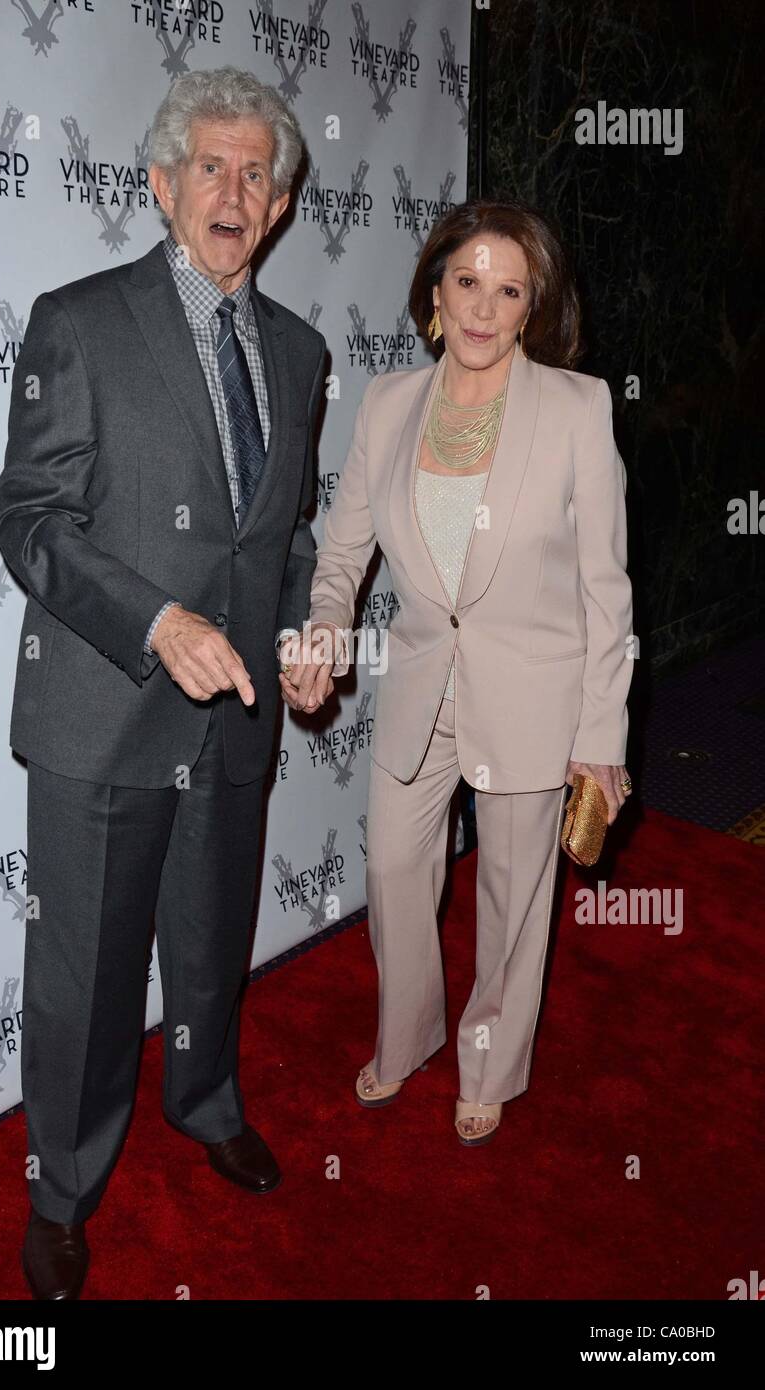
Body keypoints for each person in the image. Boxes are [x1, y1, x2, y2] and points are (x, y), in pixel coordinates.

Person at [0, 66, 326, 1299]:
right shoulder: (77, 322)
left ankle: (205, 1099)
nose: (234, 192)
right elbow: (29, 520)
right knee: (81, 974)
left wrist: (301, 630)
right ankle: (63, 1189)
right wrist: (157, 619)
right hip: (101, 711)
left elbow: (280, 537)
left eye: (258, 173)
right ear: (160, 183)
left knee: (208, 938)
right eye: (211, 167)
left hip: (233, 723)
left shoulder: (300, 353)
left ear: (284, 203)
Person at [280, 199, 633, 1147]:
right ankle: (409, 1035)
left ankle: (487, 1059)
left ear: (532, 307)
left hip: (534, 690)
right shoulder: (391, 403)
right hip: (421, 684)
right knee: (395, 866)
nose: (482, 308)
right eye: (466, 282)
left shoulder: (576, 407)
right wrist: (322, 631)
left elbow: (607, 588)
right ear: (434, 291)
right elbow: (346, 550)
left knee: (513, 892)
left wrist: (600, 736)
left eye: (506, 290)